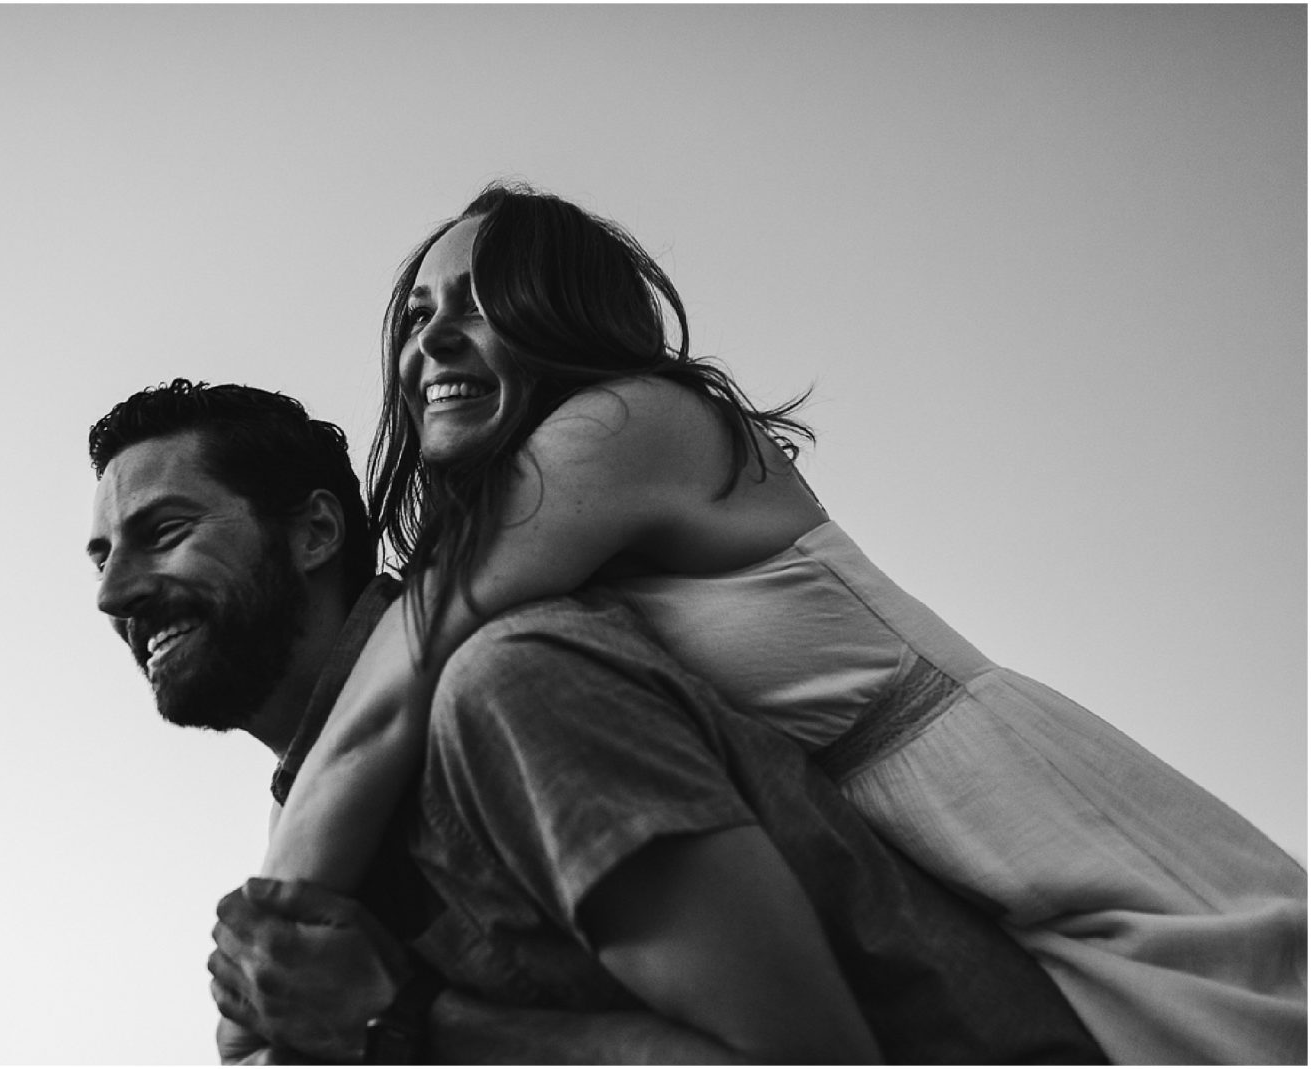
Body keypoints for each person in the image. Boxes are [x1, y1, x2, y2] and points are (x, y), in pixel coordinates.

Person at [263, 183, 1309, 1065]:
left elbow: (387, 696)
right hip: (930, 884)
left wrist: (262, 949)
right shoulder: (542, 539)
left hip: (1044, 836)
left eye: (483, 302)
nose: (433, 336)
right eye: (416, 311)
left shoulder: (629, 423)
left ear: (560, 316)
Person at [86, 379, 1106, 1063]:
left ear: (313, 532)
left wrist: (401, 1020)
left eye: (163, 534)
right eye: (100, 557)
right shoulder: (326, 853)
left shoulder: (512, 687)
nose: (115, 594)